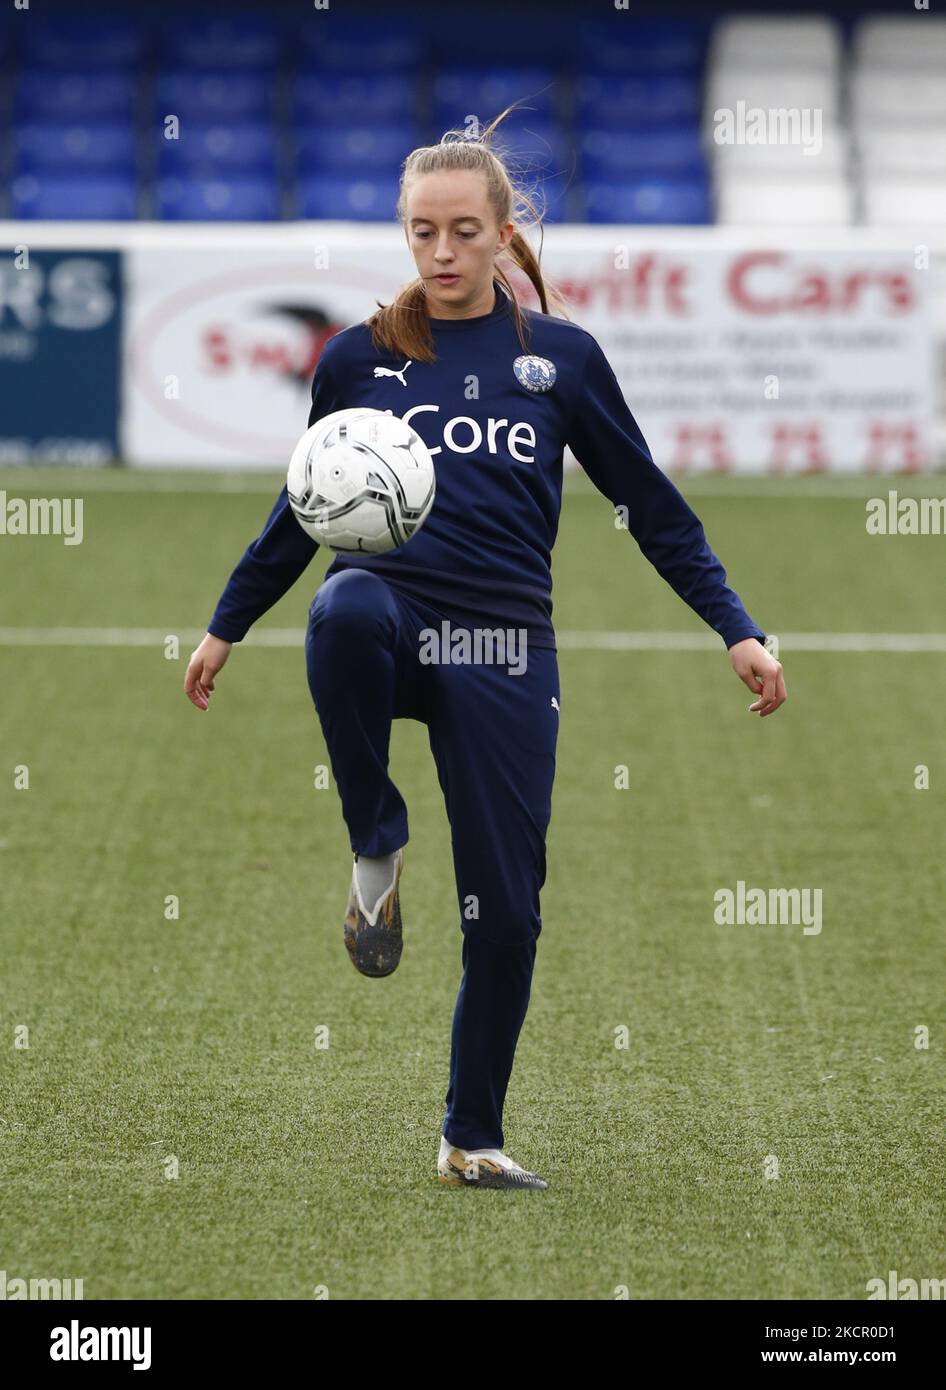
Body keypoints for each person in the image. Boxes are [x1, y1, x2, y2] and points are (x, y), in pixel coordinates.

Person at [184, 107, 787, 1192]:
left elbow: (650, 506)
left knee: (506, 912)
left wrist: (734, 625)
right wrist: (227, 622)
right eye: (422, 231)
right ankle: (377, 844)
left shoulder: (558, 360)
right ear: (405, 233)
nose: (443, 252)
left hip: (505, 649)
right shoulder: (357, 357)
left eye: (464, 231)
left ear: (506, 234)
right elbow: (301, 510)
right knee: (345, 607)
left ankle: (470, 1135)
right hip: (388, 618)